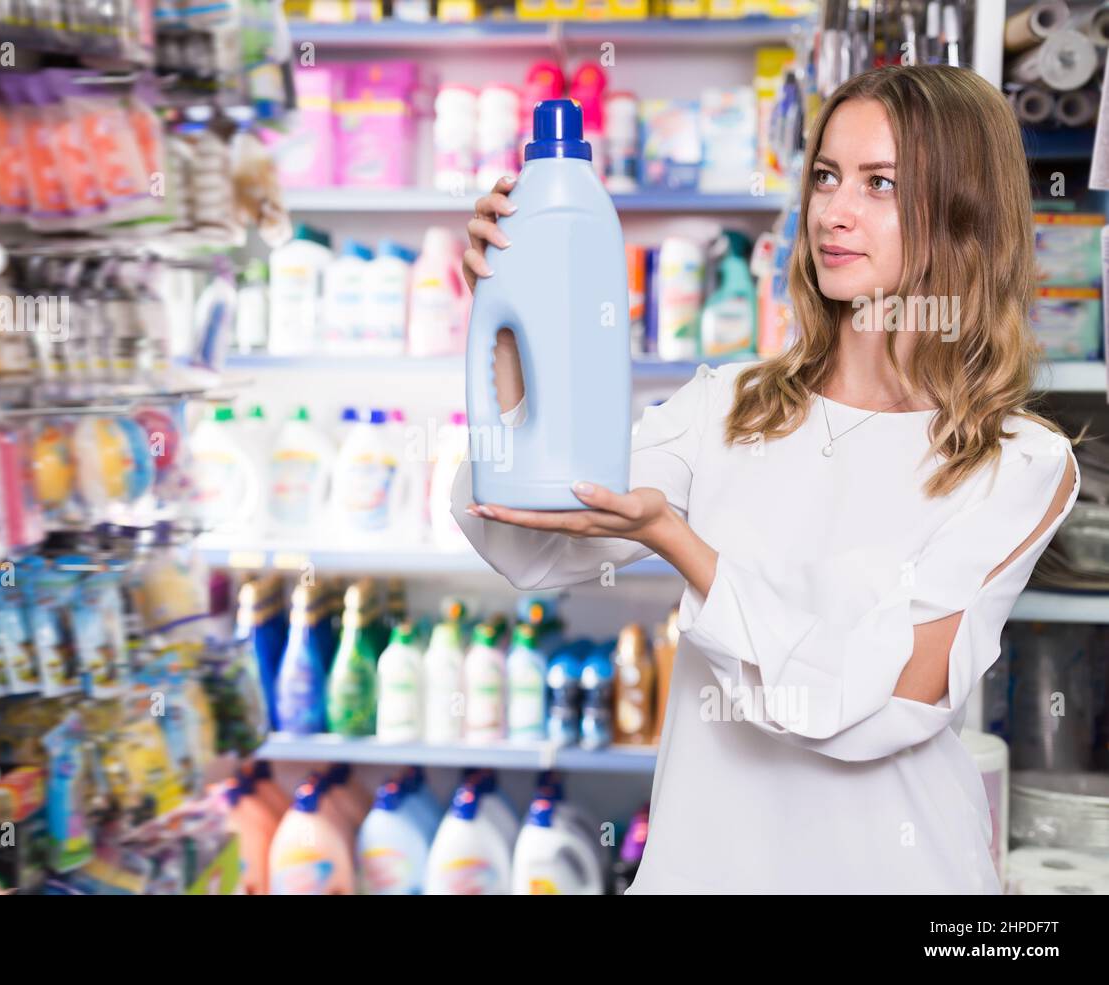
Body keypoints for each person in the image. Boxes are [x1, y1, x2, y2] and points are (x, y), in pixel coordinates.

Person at [451, 65, 1081, 894]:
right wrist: (508, 316)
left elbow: (879, 703)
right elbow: (524, 536)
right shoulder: (727, 406)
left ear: (963, 214)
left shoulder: (1015, 462)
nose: (835, 211)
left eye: (879, 184)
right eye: (826, 176)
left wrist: (682, 544)